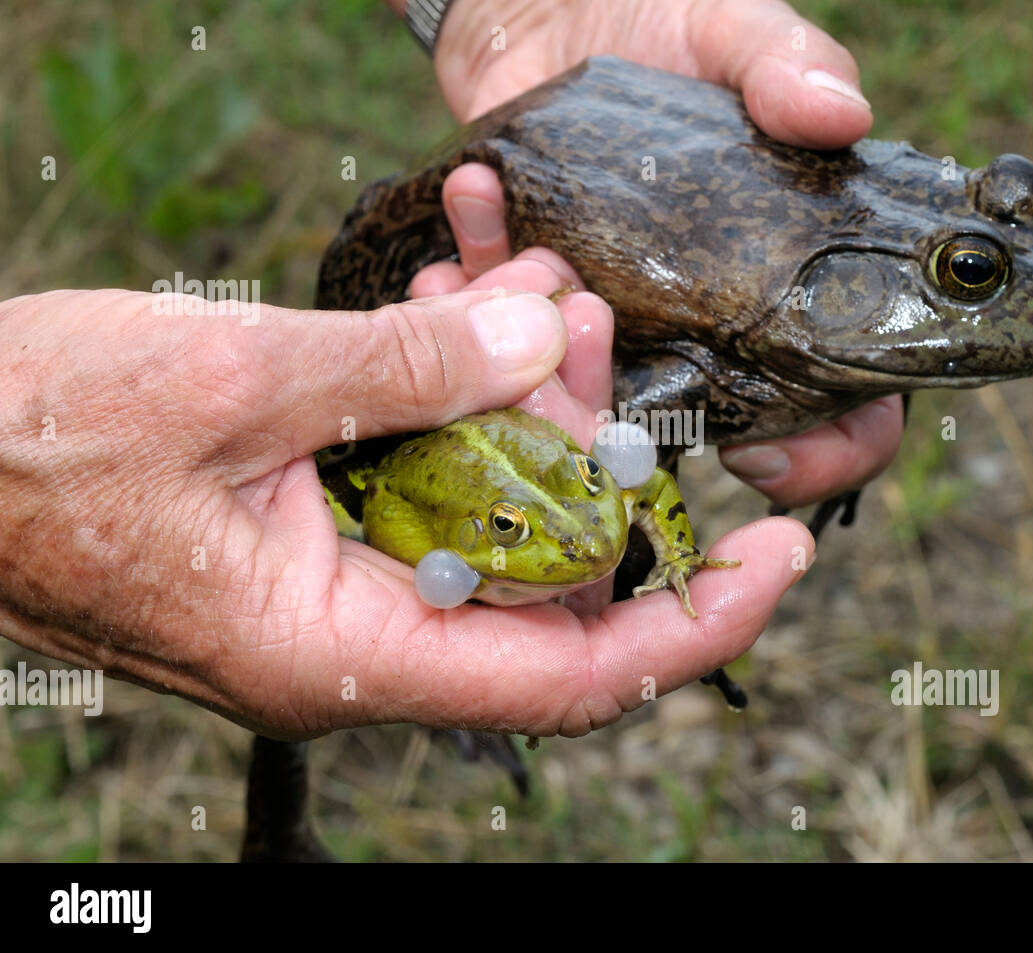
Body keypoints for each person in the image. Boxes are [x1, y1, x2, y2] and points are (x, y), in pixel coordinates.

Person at [0, 0, 903, 743]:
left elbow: (630, 486)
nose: (595, 542)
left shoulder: (592, 501)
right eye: (510, 525)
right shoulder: (379, 501)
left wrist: (507, 14)